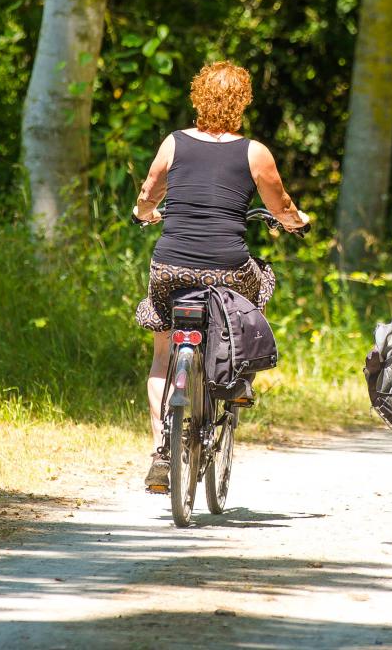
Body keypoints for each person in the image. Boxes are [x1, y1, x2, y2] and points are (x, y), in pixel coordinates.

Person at [132, 61, 308, 493]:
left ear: (198, 98)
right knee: (260, 284)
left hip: (171, 266)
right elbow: (281, 205)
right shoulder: (254, 152)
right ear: (242, 103)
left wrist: (145, 214)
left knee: (162, 354)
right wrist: (296, 221)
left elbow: (148, 192)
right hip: (228, 268)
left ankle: (161, 451)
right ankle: (239, 377)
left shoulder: (173, 143)